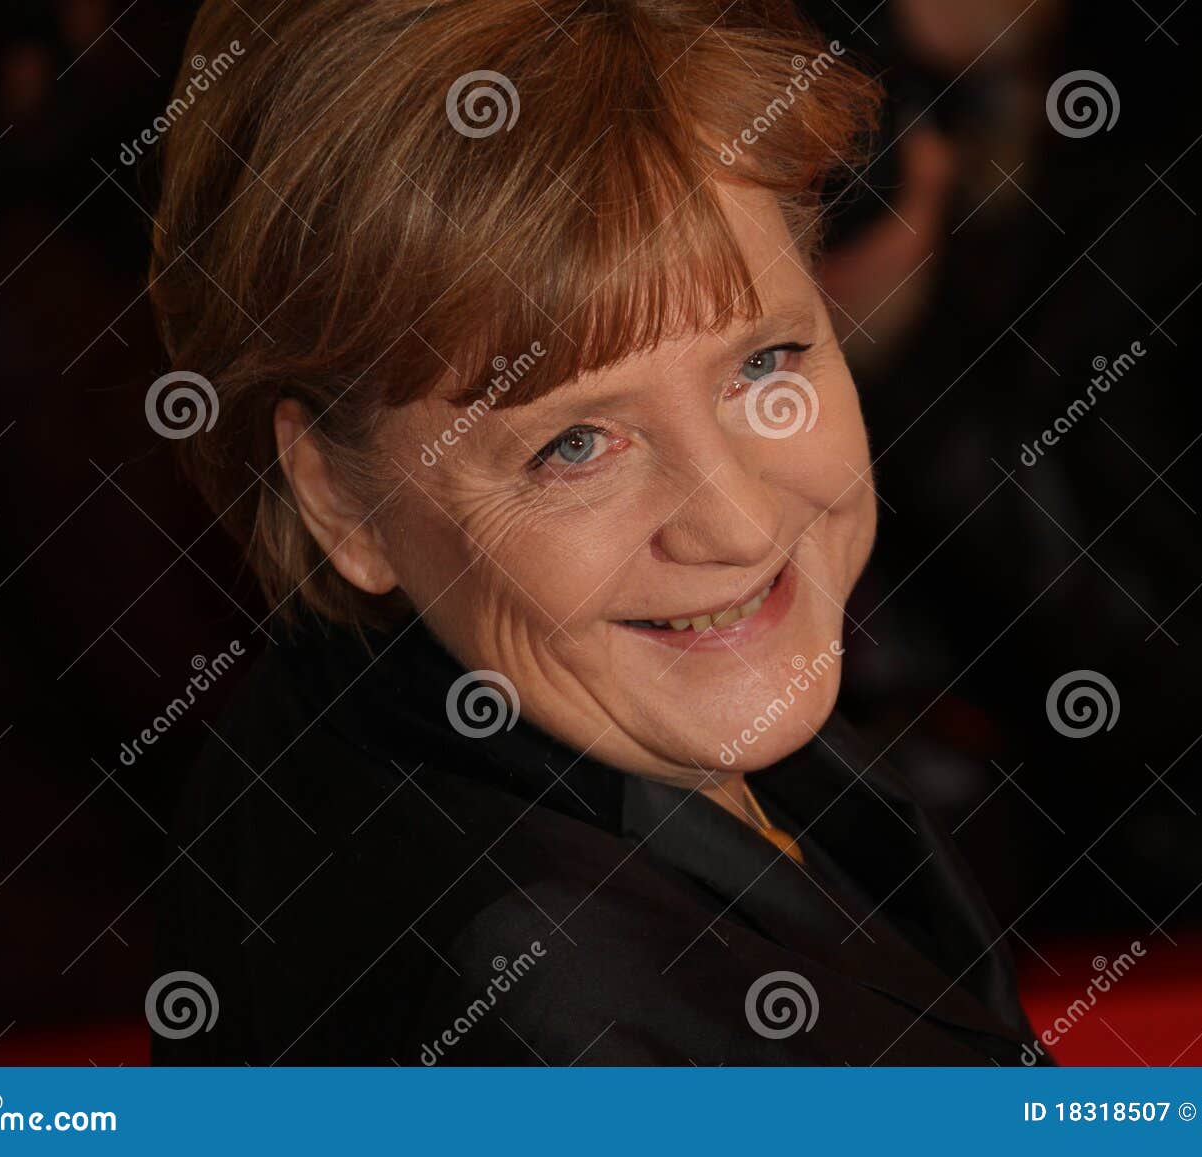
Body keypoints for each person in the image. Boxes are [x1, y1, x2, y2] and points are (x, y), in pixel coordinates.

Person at [150, 0, 1041, 1065]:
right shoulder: (568, 1015)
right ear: (339, 497)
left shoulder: (363, 712)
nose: (738, 520)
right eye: (574, 444)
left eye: (764, 364)